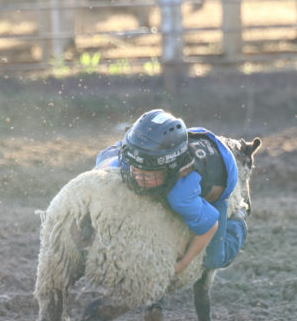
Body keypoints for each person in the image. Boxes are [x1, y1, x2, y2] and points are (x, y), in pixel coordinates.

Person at [95, 109, 248, 276]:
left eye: (146, 173)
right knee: (108, 160)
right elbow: (111, 164)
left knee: (214, 259)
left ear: (170, 170)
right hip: (184, 142)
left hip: (222, 169)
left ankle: (240, 216)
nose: (137, 177)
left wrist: (183, 264)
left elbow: (210, 227)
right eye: (134, 167)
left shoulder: (181, 192)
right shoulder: (137, 161)